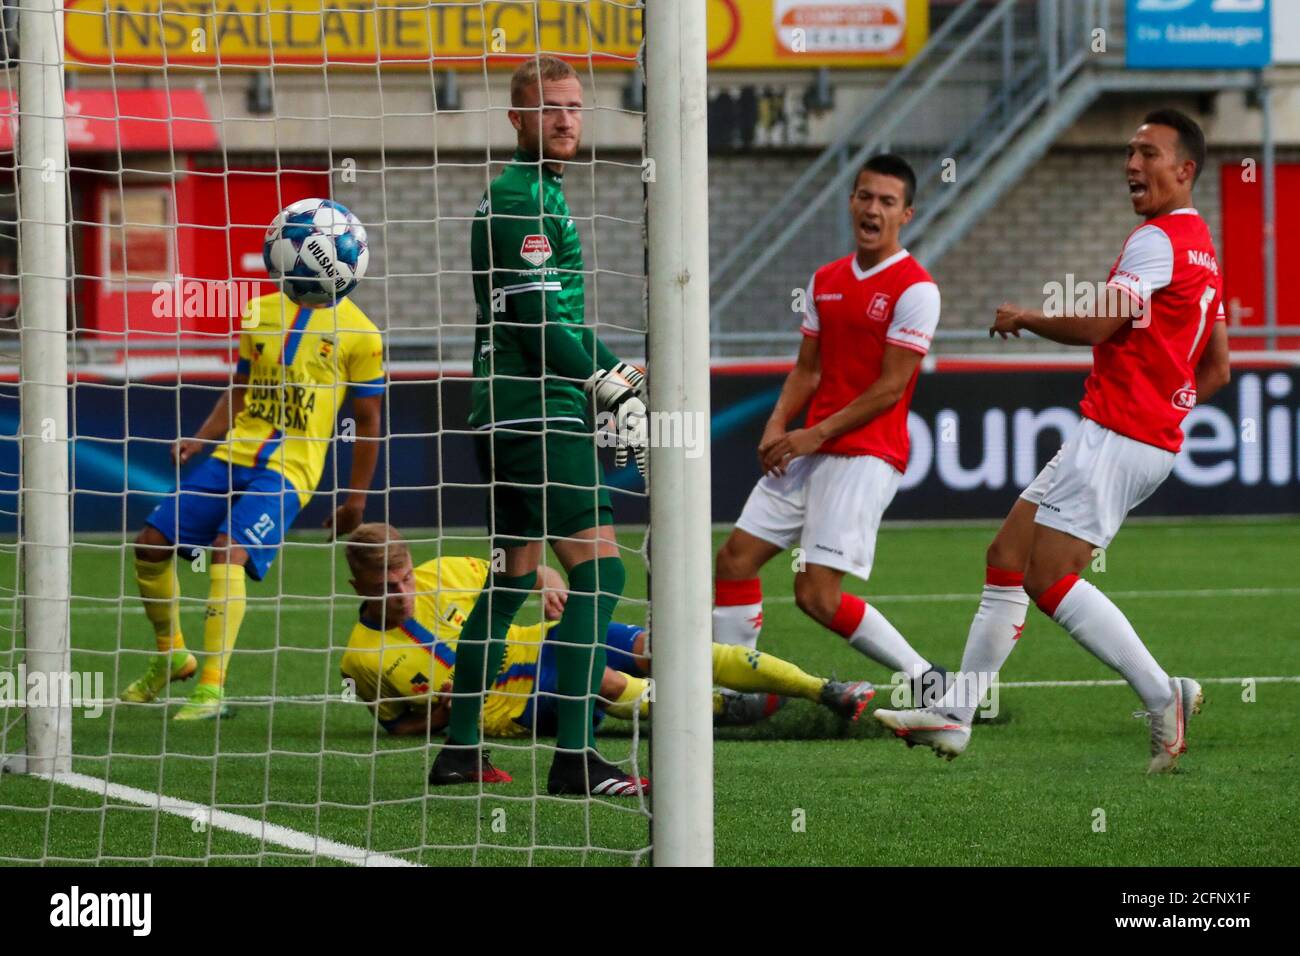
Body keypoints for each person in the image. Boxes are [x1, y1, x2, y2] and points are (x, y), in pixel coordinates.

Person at [874, 109, 1232, 774]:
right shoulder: (1202, 247)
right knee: (1008, 552)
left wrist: (1026, 317)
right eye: (1129, 151)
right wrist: (1168, 408)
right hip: (1129, 432)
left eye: (1149, 153)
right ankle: (956, 713)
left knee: (1049, 576)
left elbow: (1101, 327)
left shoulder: (1157, 241)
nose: (1132, 164)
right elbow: (1216, 370)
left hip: (1119, 434)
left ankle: (1163, 695)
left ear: (1185, 170)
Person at [429, 56, 652, 796]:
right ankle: (576, 758)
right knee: (605, 570)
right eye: (550, 107)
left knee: (509, 578)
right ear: (517, 119)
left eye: (575, 107)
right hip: (536, 414)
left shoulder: (536, 195)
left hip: (503, 410)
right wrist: (604, 384)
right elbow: (537, 322)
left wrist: (618, 370)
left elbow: (560, 321)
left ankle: (461, 750)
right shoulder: (521, 199)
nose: (565, 119)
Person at [712, 154, 947, 703]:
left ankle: (929, 681)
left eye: (887, 202)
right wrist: (777, 425)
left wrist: (810, 436)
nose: (873, 209)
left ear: (906, 213)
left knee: (815, 594)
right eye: (864, 196)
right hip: (809, 448)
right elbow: (808, 370)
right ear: (851, 202)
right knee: (734, 560)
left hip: (866, 454)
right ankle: (732, 693)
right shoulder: (827, 279)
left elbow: (891, 388)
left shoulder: (918, 289)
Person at [341, 525, 874, 753]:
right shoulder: (360, 659)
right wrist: (442, 714)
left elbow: (536, 572)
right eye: (386, 586)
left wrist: (552, 588)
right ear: (356, 586)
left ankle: (824, 689)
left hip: (541, 639)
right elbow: (397, 728)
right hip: (511, 704)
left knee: (662, 645)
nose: (403, 591)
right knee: (596, 675)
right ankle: (718, 707)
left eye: (405, 576)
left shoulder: (447, 571)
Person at [122, 285, 384, 720]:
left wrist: (356, 500)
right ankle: (172, 655)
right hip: (234, 454)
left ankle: (211, 688)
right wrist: (202, 438)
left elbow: (369, 419)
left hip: (292, 467)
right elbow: (240, 388)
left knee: (228, 551)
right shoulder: (256, 311)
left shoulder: (362, 334)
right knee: (150, 543)